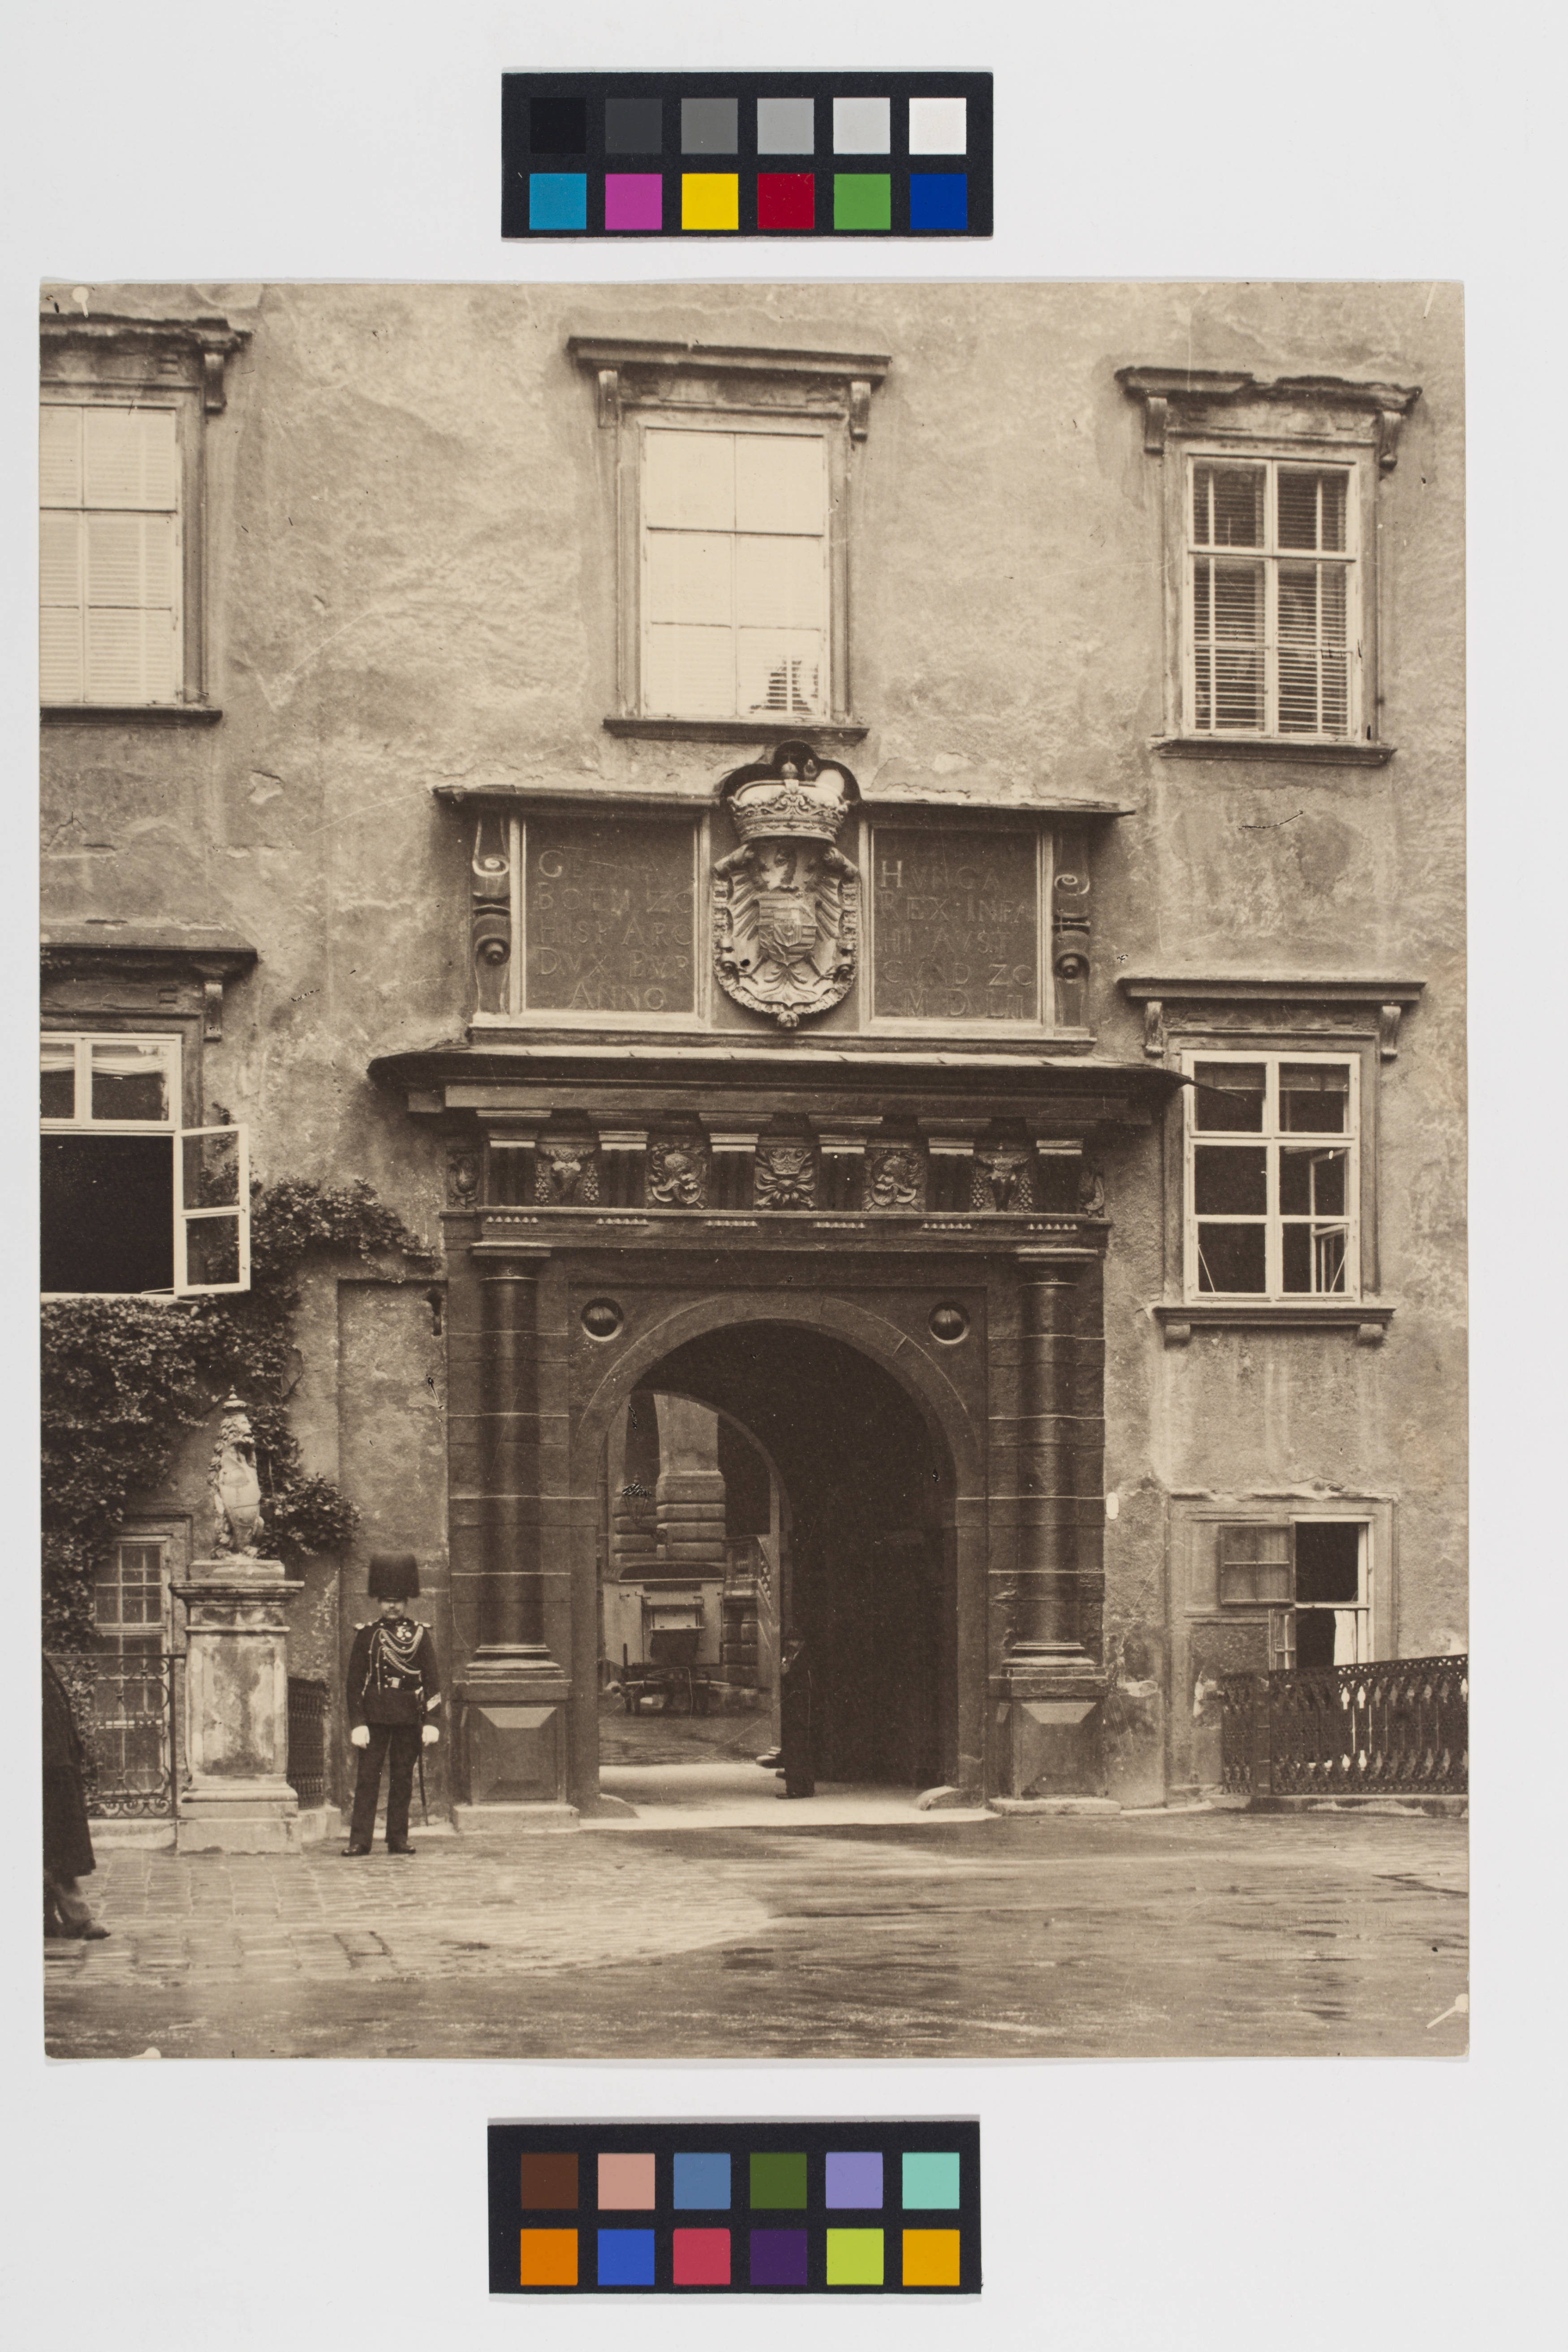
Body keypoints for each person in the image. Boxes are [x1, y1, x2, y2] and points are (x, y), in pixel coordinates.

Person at [343, 1553, 440, 1856]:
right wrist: (357, 1723)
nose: (392, 1606)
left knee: (402, 1779)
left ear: (407, 1601)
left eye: (398, 1599)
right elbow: (354, 1683)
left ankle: (397, 1838)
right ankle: (360, 1840)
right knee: (368, 1780)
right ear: (379, 1601)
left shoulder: (420, 1635)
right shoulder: (367, 1635)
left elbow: (433, 1681)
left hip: (409, 1717)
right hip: (375, 1717)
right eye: (386, 1599)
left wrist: (433, 1722)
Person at [43, 1654, 108, 1938]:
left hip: (55, 1764)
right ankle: (77, 1919)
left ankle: (58, 1919)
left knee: (57, 1844)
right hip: (43, 1764)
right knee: (54, 1846)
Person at [776, 1632, 816, 1800]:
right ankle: (797, 1788)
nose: (789, 1645)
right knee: (794, 1749)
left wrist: (787, 1674)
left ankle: (798, 1789)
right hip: (794, 1709)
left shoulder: (805, 1659)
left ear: (800, 1642)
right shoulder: (793, 1657)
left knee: (798, 1749)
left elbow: (804, 1685)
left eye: (791, 1641)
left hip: (800, 1711)